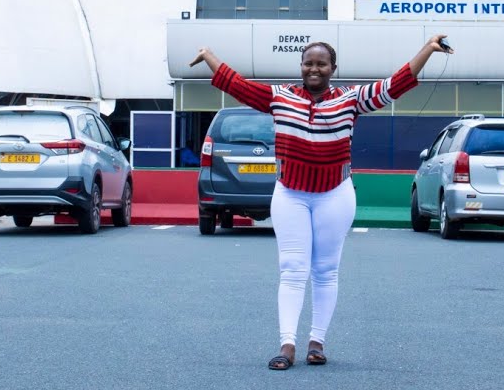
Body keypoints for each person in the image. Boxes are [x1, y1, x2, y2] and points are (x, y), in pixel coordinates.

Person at [190, 34, 453, 370]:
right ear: (301, 66)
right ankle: (287, 345)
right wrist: (210, 56)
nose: (314, 68)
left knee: (326, 270)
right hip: (290, 195)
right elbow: (238, 86)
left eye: (321, 64)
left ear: (333, 68)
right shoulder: (279, 97)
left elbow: (394, 85)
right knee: (292, 269)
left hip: (334, 194)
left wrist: (427, 50)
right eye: (308, 63)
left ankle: (317, 342)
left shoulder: (350, 99)